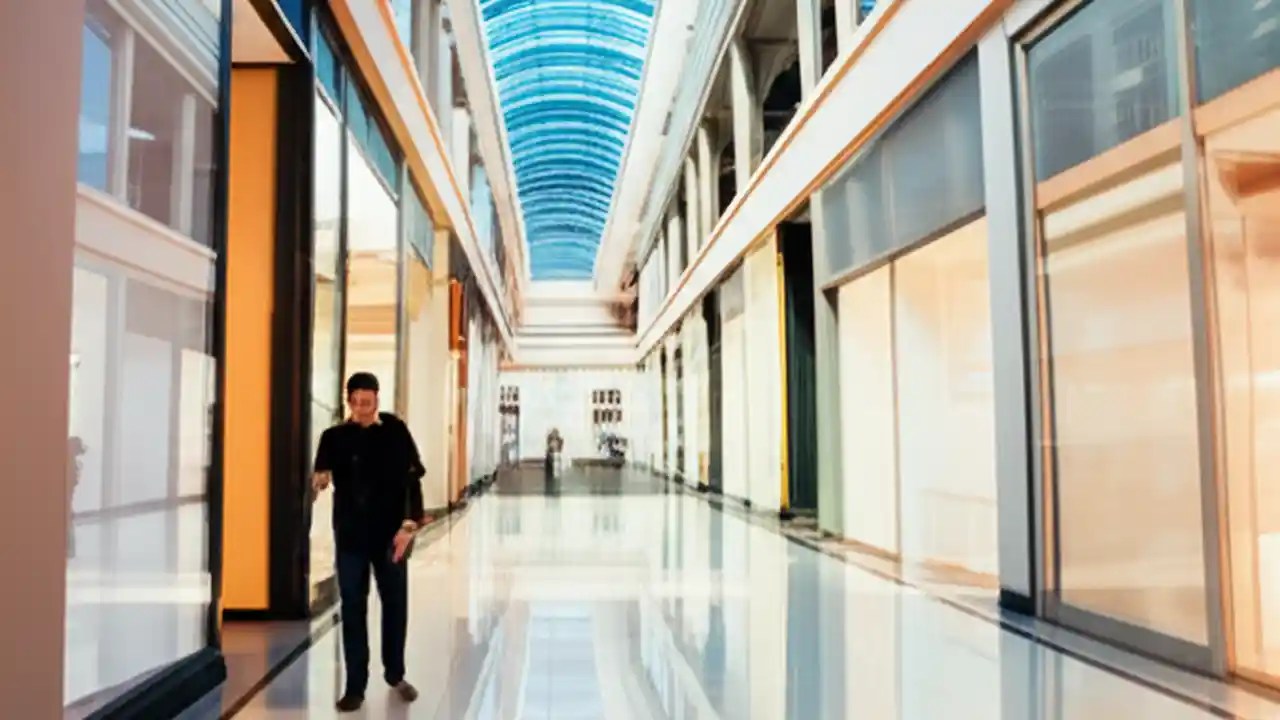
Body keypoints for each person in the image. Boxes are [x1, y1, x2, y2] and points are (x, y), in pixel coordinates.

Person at [313, 372, 427, 712]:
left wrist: (409, 525)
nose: (363, 409)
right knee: (352, 607)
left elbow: (412, 481)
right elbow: (320, 476)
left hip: (392, 536)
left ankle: (395, 674)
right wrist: (318, 481)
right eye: (357, 402)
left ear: (377, 399)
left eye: (369, 402)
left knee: (395, 604)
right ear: (348, 401)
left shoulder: (395, 431)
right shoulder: (333, 437)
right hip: (351, 536)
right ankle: (354, 686)